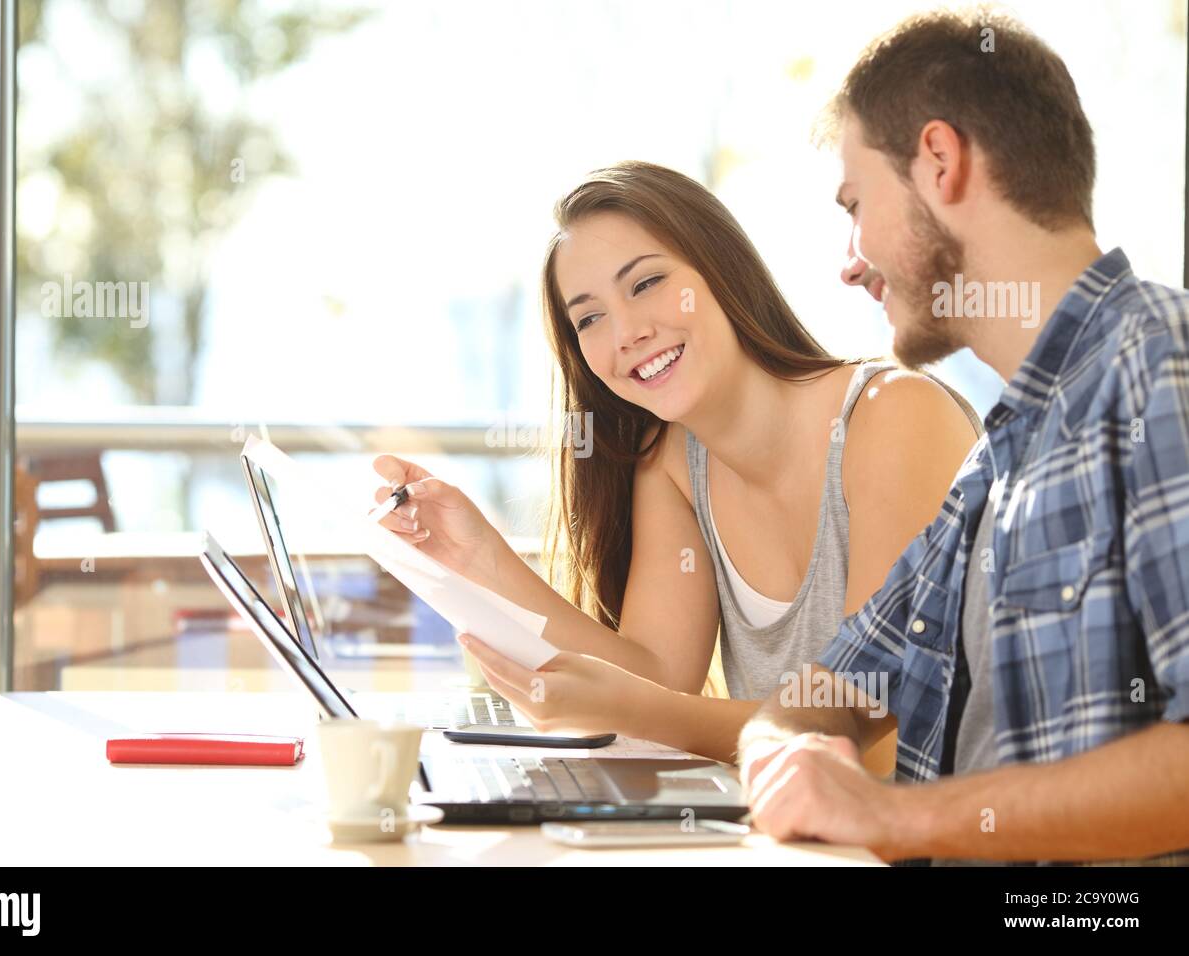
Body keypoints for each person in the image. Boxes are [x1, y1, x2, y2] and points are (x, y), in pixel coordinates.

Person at [739, 7, 1189, 865]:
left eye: (855, 204)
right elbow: (816, 699)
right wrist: (780, 755)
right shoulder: (993, 465)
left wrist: (897, 818)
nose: (849, 261)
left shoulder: (1160, 364)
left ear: (940, 162)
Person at [372, 161, 978, 765]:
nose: (626, 332)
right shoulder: (673, 463)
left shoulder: (897, 415)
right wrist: (479, 557)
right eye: (589, 318)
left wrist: (630, 709)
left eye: (645, 283)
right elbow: (656, 676)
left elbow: (871, 731)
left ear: (721, 266)